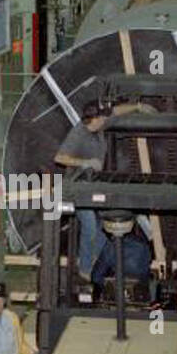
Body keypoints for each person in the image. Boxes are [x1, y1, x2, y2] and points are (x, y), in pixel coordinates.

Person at [52, 101, 108, 282]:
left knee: (106, 226)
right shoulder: (78, 133)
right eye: (102, 117)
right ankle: (84, 270)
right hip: (76, 188)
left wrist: (137, 107)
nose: (106, 119)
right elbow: (59, 157)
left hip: (93, 185)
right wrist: (86, 163)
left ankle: (93, 259)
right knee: (90, 225)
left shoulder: (99, 127)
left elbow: (116, 112)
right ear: (94, 119)